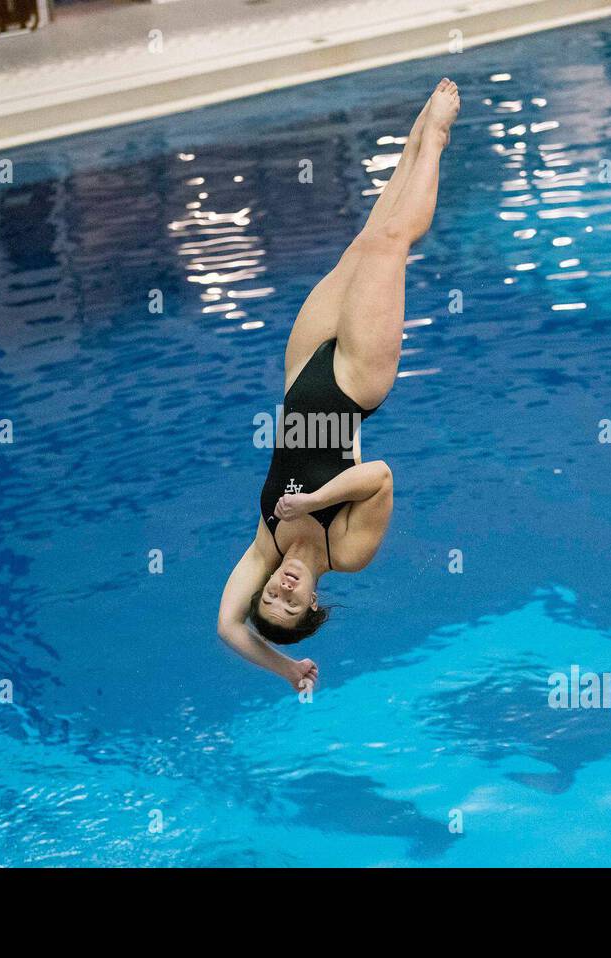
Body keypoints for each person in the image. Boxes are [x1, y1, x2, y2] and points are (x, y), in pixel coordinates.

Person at [216, 78, 460, 692]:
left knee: (366, 240)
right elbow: (380, 476)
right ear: (313, 604)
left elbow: (226, 627)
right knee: (390, 244)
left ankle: (415, 137)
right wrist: (311, 503)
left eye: (269, 598)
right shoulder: (346, 553)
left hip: (301, 371)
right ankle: (434, 140)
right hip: (355, 383)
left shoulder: (266, 544)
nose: (281, 590)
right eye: (291, 604)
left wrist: (286, 669)